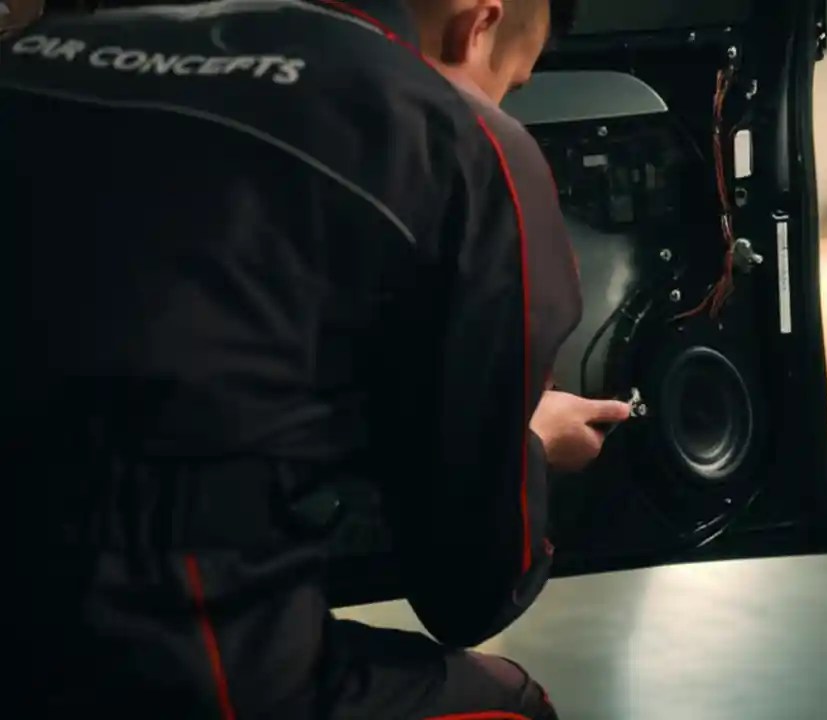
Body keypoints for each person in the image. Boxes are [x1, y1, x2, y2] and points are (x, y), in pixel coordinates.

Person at [0, 0, 631, 716]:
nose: (503, 105)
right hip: (152, 650)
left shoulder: (56, 46)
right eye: (509, 84)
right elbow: (471, 591)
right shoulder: (459, 136)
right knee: (511, 703)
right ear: (477, 23)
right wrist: (529, 446)